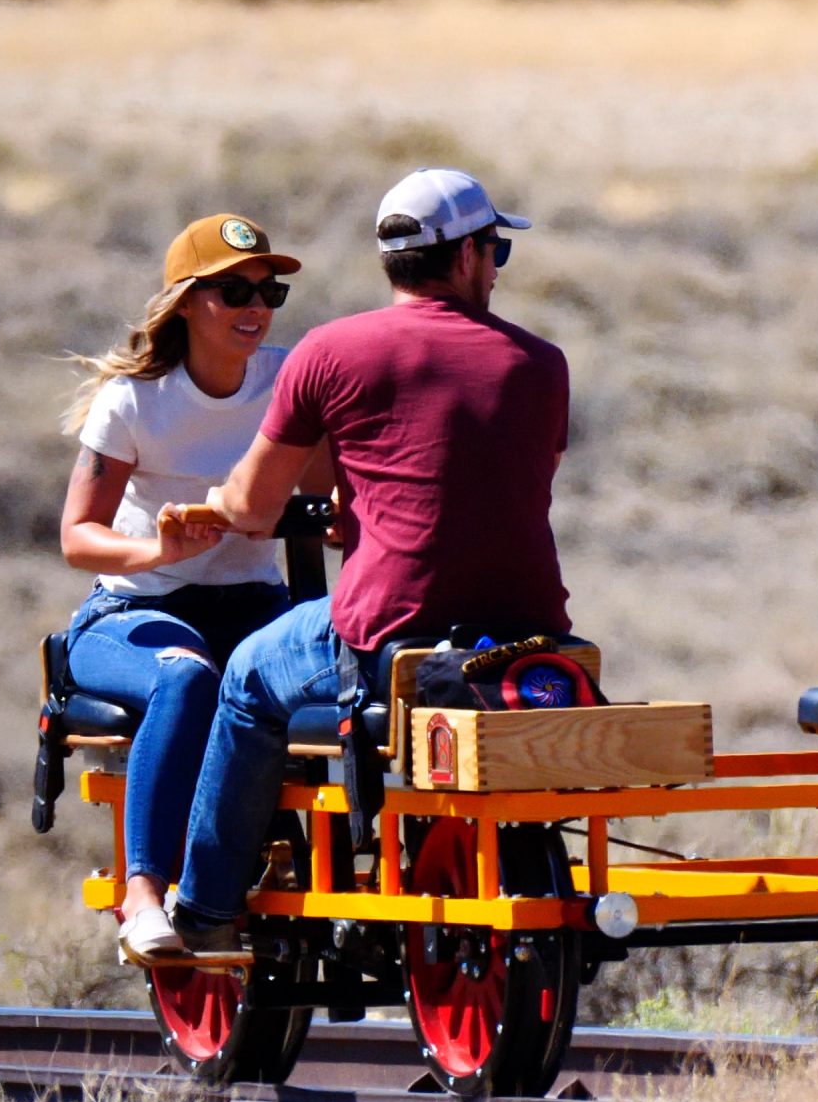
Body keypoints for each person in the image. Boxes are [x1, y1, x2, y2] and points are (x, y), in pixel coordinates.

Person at [167, 168, 570, 950]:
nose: (495, 269)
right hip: (528, 631)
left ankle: (208, 909)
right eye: (496, 251)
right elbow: (500, 486)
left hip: (385, 633)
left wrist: (217, 504)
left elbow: (253, 508)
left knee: (247, 676)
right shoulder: (541, 363)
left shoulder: (330, 352)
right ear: (465, 257)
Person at [56, 214, 313, 963]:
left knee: (346, 679)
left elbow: (331, 495)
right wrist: (157, 550)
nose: (255, 307)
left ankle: (307, 870)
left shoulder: (287, 382)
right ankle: (143, 898)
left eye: (269, 292)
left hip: (253, 609)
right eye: (235, 292)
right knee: (187, 677)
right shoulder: (135, 401)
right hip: (135, 611)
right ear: (188, 302)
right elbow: (77, 537)